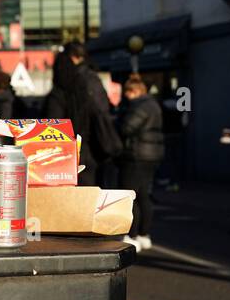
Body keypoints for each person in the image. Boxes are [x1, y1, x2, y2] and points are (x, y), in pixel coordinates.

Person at [43, 43, 121, 187]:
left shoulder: (59, 92)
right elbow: (101, 111)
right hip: (90, 147)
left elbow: (53, 124)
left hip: (65, 152)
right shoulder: (90, 81)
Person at [116, 76, 165, 250]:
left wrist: (119, 120)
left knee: (130, 195)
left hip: (136, 154)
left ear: (134, 91)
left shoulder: (139, 105)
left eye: (128, 93)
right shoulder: (153, 104)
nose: (127, 96)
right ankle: (144, 234)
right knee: (144, 194)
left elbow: (127, 128)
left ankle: (131, 234)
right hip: (152, 154)